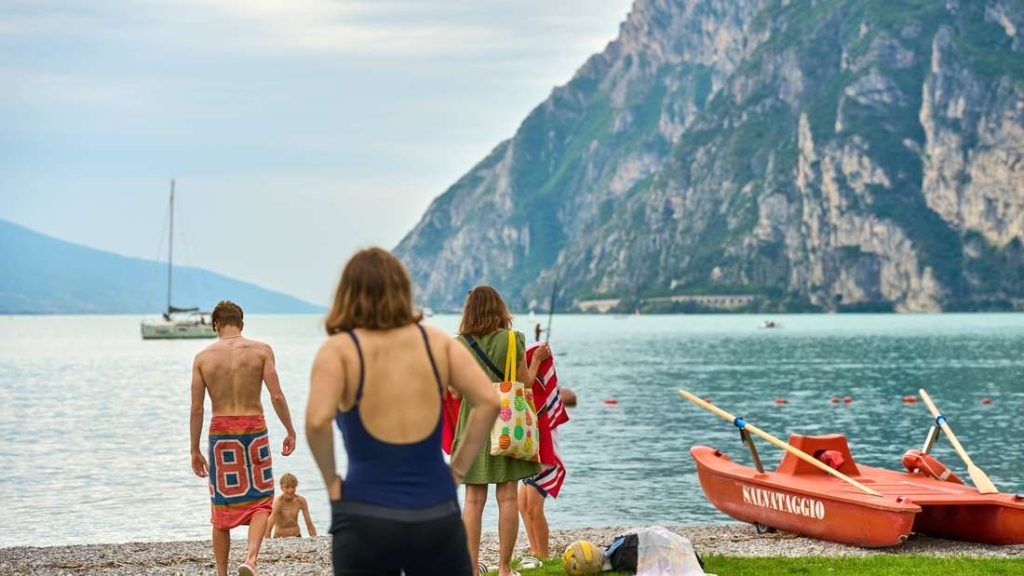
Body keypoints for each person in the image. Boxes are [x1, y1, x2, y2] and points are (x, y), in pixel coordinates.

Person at [306, 248, 499, 576]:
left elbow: (316, 421)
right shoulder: (437, 343)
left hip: (365, 513)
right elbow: (489, 402)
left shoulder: (339, 351)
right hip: (436, 508)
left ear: (347, 294)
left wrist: (331, 483)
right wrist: (457, 471)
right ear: (401, 290)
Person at [189, 300, 297, 576]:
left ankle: (222, 573)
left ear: (215, 325)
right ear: (242, 324)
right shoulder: (261, 351)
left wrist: (194, 449)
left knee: (221, 506)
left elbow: (197, 408)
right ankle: (250, 559)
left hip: (222, 435)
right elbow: (276, 395)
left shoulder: (203, 358)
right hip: (253, 429)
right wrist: (290, 429)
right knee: (261, 500)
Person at [455, 286, 550, 576]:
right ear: (499, 309)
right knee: (507, 497)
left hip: (472, 424)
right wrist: (536, 360)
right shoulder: (512, 340)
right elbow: (524, 383)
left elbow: (456, 392)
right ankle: (505, 569)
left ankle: (471, 569)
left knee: (473, 500)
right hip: (506, 422)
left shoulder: (459, 344)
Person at [265, 473, 317, 538]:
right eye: (287, 487)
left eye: (293, 487)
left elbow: (309, 524)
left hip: (297, 536)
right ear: (282, 488)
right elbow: (268, 527)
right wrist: (268, 543)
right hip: (280, 538)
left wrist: (314, 539)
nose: (290, 490)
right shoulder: (278, 503)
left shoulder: (301, 501)